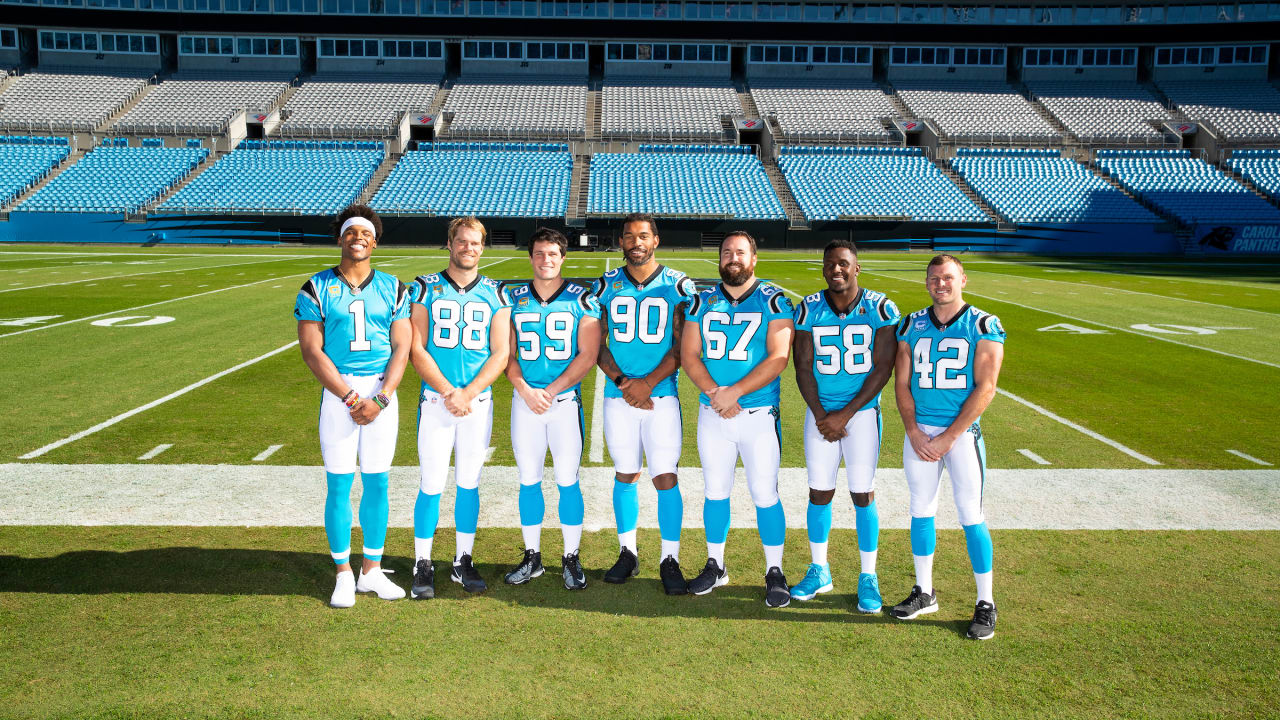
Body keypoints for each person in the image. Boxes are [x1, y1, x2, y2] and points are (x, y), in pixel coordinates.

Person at [294, 204, 410, 608]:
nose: (357, 238)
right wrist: (348, 396)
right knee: (340, 484)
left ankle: (372, 571)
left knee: (378, 482)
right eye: (350, 232)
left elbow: (402, 347)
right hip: (339, 392)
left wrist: (380, 397)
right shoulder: (316, 286)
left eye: (365, 233)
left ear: (374, 241)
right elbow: (312, 351)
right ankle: (344, 573)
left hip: (381, 394)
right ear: (340, 238)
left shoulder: (395, 287)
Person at [890, 254, 1005, 640]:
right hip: (920, 432)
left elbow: (986, 388)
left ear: (963, 280)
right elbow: (902, 384)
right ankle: (924, 591)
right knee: (920, 509)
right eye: (935, 278)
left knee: (971, 513)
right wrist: (913, 431)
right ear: (926, 283)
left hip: (961, 436)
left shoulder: (984, 325)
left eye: (948, 277)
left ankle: (985, 602)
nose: (942, 283)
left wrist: (949, 437)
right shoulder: (910, 324)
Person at [680, 231, 795, 608]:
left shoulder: (773, 300)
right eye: (727, 252)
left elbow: (779, 357)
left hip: (758, 413)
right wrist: (717, 393)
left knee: (765, 494)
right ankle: (716, 564)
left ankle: (774, 570)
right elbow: (690, 356)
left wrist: (736, 392)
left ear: (754, 259)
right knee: (715, 491)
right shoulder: (701, 301)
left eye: (740, 252)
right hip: (714, 412)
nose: (733, 258)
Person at [590, 213, 697, 595]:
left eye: (644, 236)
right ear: (621, 242)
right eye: (630, 236)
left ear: (656, 240)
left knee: (665, 475)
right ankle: (628, 552)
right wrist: (622, 382)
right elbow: (595, 345)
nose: (637, 242)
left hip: (661, 396)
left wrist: (647, 383)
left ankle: (670, 558)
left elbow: (684, 346)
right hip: (619, 397)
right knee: (625, 473)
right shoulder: (605, 286)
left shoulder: (678, 285)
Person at [791, 240, 899, 612]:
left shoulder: (880, 307)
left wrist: (845, 414)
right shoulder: (808, 307)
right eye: (830, 264)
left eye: (843, 264)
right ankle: (819, 568)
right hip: (820, 415)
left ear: (856, 268)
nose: (836, 270)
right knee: (819, 491)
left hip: (862, 415)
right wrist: (822, 414)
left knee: (861, 493)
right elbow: (802, 365)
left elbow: (883, 367)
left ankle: (868, 575)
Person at [407, 216, 512, 598]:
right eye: (462, 242)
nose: (469, 248)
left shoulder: (497, 294)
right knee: (432, 483)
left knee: (469, 482)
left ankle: (462, 560)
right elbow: (416, 347)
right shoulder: (424, 289)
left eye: (476, 243)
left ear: (483, 247)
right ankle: (423, 562)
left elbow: (501, 352)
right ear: (450, 244)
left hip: (476, 403)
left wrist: (467, 393)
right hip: (437, 401)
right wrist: (451, 391)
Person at [503, 228, 602, 590]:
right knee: (529, 479)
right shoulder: (511, 299)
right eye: (540, 253)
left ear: (563, 258)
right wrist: (526, 389)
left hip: (562, 404)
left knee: (567, 481)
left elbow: (588, 354)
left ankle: (571, 556)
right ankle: (532, 555)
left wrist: (551, 390)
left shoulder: (583, 300)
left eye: (553, 254)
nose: (546, 260)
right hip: (525, 402)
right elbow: (507, 355)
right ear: (531, 257)